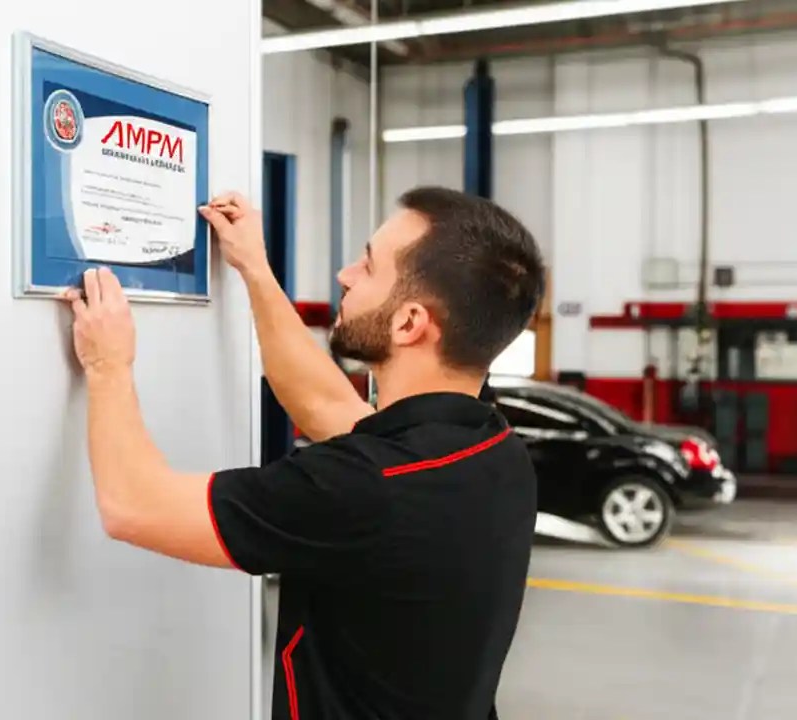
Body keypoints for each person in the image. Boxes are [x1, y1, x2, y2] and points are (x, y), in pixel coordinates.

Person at [63, 186, 546, 720]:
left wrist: (108, 365)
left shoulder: (366, 487)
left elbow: (133, 504)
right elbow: (324, 404)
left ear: (410, 323)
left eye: (367, 266)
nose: (345, 274)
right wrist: (254, 269)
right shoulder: (492, 447)